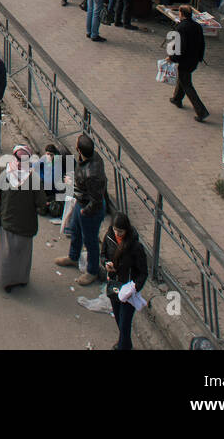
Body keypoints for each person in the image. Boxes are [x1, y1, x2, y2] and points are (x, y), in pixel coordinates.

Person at [0, 145, 46, 293]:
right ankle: (21, 279)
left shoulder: (4, 172)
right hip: (27, 224)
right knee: (22, 254)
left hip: (7, 221)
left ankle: (4, 280)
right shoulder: (34, 179)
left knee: (6, 254)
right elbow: (41, 204)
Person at [55, 134, 108, 285]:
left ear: (79, 150)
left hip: (89, 209)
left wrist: (86, 211)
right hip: (81, 202)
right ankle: (73, 256)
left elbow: (96, 200)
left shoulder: (92, 174)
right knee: (75, 230)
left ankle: (92, 271)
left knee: (90, 240)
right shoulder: (90, 159)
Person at [102, 212, 148, 350]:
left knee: (125, 323)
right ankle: (125, 345)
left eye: (120, 231)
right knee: (118, 319)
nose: (117, 233)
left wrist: (135, 287)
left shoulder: (135, 247)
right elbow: (103, 254)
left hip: (128, 290)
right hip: (115, 286)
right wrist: (106, 263)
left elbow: (143, 272)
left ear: (126, 230)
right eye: (115, 230)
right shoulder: (109, 237)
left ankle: (123, 346)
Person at [169, 4, 210, 121]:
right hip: (194, 59)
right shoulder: (197, 26)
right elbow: (202, 43)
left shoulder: (181, 28)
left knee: (187, 84)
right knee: (183, 78)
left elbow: (179, 47)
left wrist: (172, 58)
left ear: (181, 14)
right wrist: (200, 57)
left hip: (185, 60)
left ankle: (201, 111)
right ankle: (177, 99)